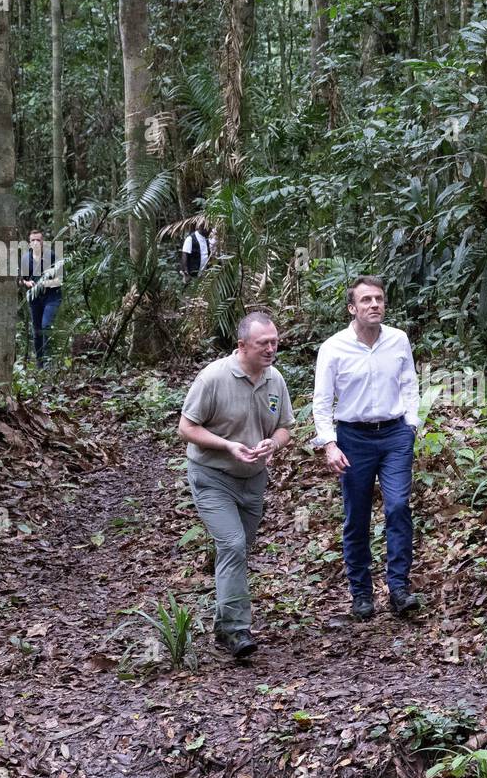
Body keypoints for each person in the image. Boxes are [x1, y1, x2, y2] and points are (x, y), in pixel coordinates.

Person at [178, 312, 294, 659]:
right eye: (264, 343)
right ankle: (236, 630)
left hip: (253, 480)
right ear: (242, 345)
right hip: (212, 476)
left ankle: (223, 622)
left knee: (239, 550)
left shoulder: (275, 380)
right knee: (232, 544)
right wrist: (228, 445)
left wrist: (273, 443)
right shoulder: (213, 377)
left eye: (274, 341)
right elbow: (186, 428)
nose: (272, 348)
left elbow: (285, 426)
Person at [312, 276, 421, 621]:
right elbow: (322, 401)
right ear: (352, 308)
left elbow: (409, 383)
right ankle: (361, 594)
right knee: (356, 516)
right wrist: (329, 443)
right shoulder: (333, 347)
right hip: (353, 438)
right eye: (366, 300)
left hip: (394, 435)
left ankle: (399, 588)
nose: (374, 305)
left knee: (399, 506)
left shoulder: (398, 340)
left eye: (379, 299)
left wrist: (411, 424)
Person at [20, 229, 61, 368]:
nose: (36, 243)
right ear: (29, 243)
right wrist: (27, 283)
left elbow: (60, 280)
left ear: (43, 242)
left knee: (46, 326)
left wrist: (45, 283)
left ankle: (49, 362)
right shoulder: (26, 258)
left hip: (52, 297)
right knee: (36, 330)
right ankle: (40, 363)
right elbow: (22, 280)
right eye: (33, 240)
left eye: (38, 240)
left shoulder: (52, 256)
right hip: (35, 298)